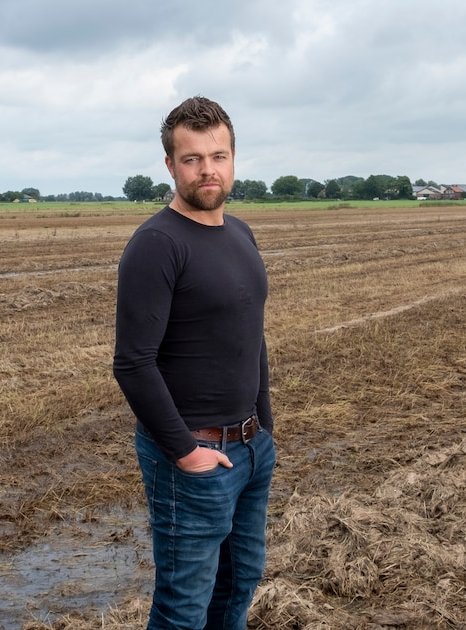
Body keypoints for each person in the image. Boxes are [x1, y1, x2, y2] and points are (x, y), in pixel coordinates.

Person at [113, 96, 276, 630]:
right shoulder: (157, 245)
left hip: (251, 449)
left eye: (219, 156)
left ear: (233, 158)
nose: (208, 170)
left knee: (238, 585)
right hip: (194, 456)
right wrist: (185, 452)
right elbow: (133, 363)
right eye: (192, 159)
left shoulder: (240, 234)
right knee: (183, 607)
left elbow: (252, 337)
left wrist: (265, 431)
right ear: (170, 165)